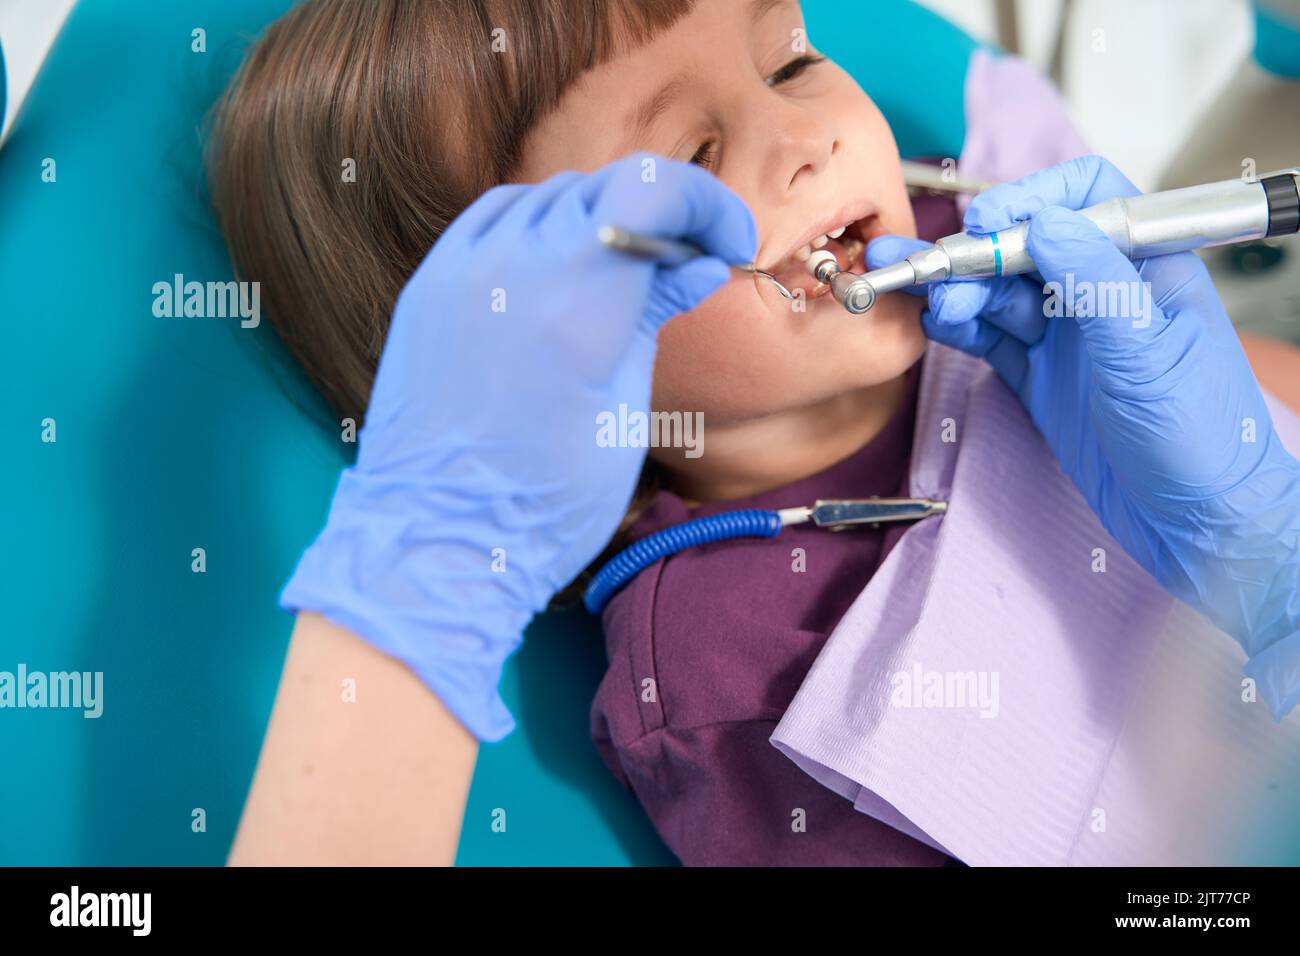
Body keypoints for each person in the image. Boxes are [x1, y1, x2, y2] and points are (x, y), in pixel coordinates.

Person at [221, 0, 1300, 865]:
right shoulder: (717, 683)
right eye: (689, 155)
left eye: (788, 63)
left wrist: (1262, 522)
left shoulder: (987, 236)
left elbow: (1255, 403)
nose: (801, 139)